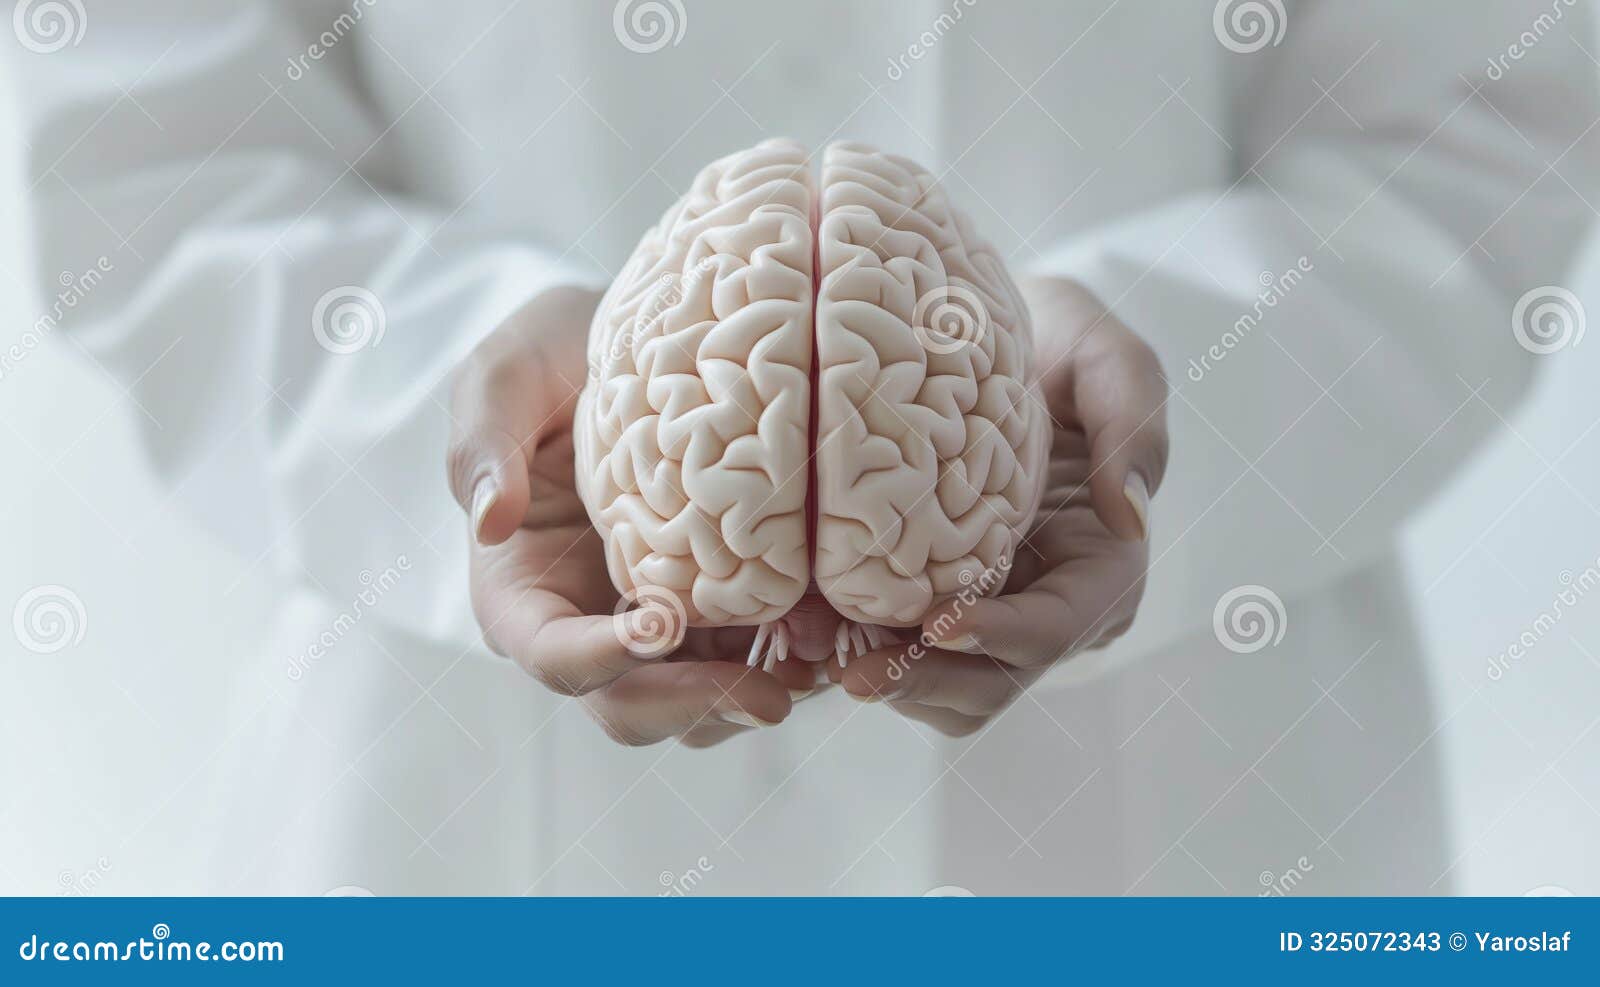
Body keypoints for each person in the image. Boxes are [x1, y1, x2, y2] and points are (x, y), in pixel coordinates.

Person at [9, 0, 1597, 893]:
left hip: (1186, 837)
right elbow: (166, 162)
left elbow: (1482, 124)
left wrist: (1168, 371)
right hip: (468, 838)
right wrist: (479, 398)